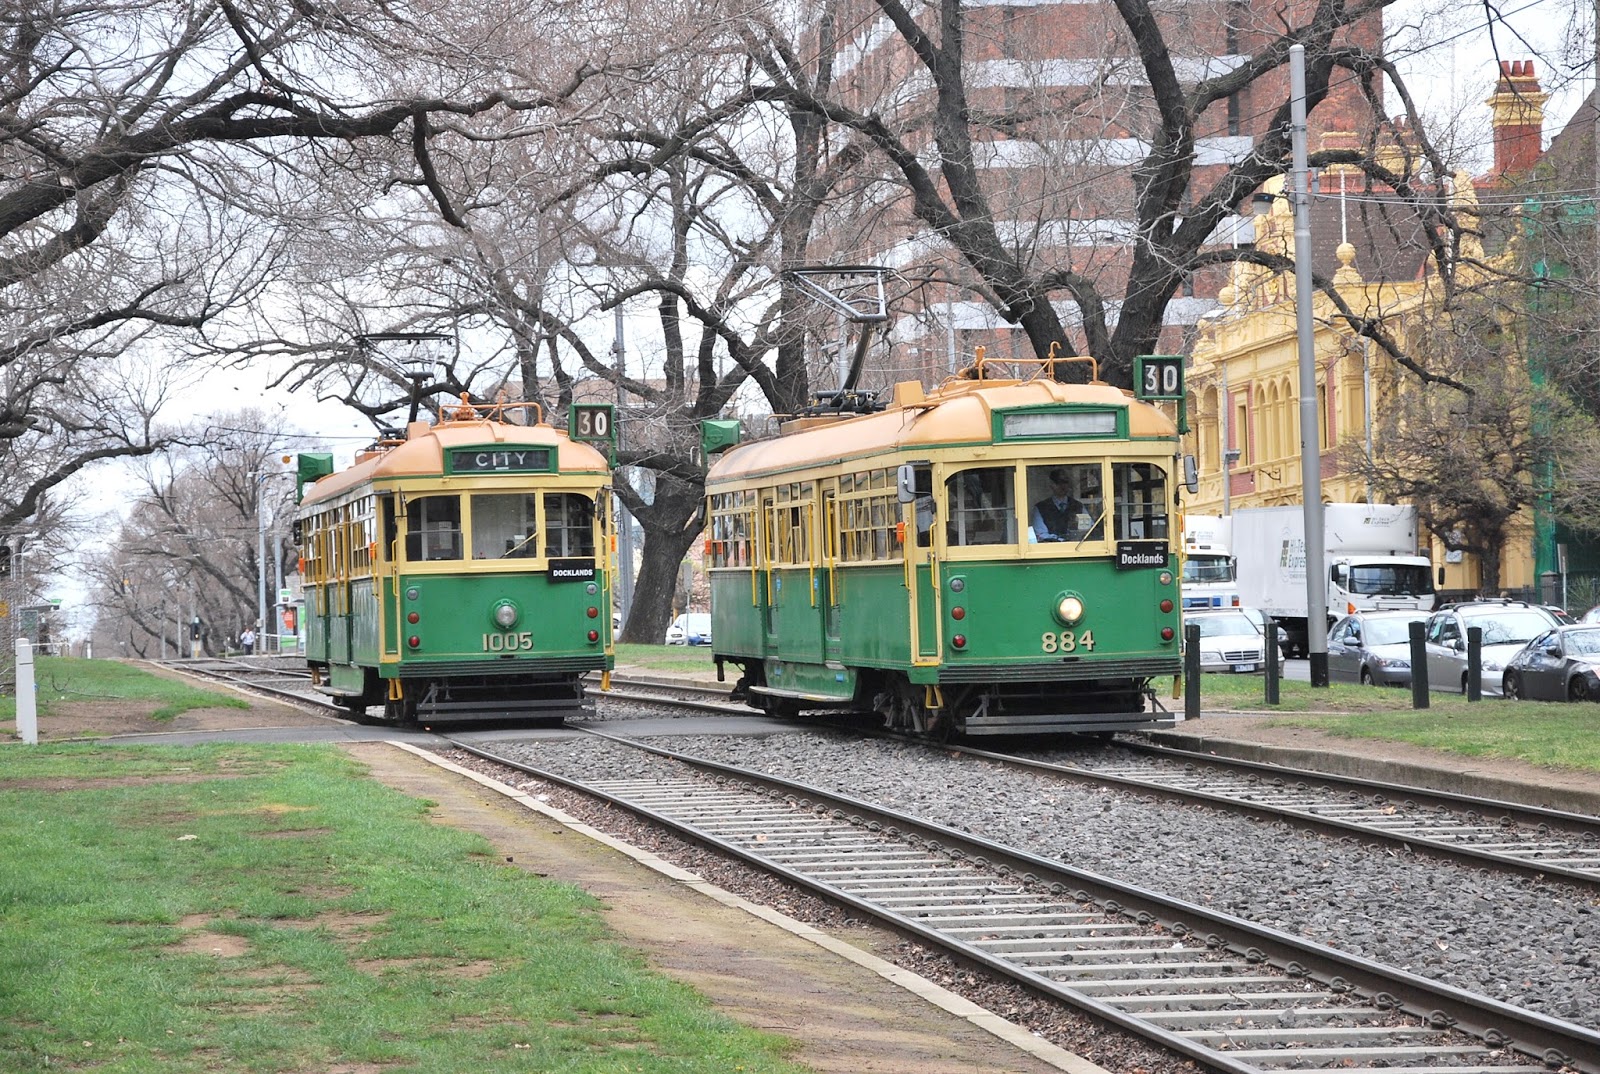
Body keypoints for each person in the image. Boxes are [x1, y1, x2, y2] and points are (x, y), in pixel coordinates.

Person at [1031, 469, 1084, 541]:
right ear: (1051, 484)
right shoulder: (1040, 508)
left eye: (1065, 482)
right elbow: (1041, 534)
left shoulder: (1079, 506)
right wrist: (1060, 540)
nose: (1062, 486)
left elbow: (1089, 529)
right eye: (1058, 482)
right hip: (1050, 549)